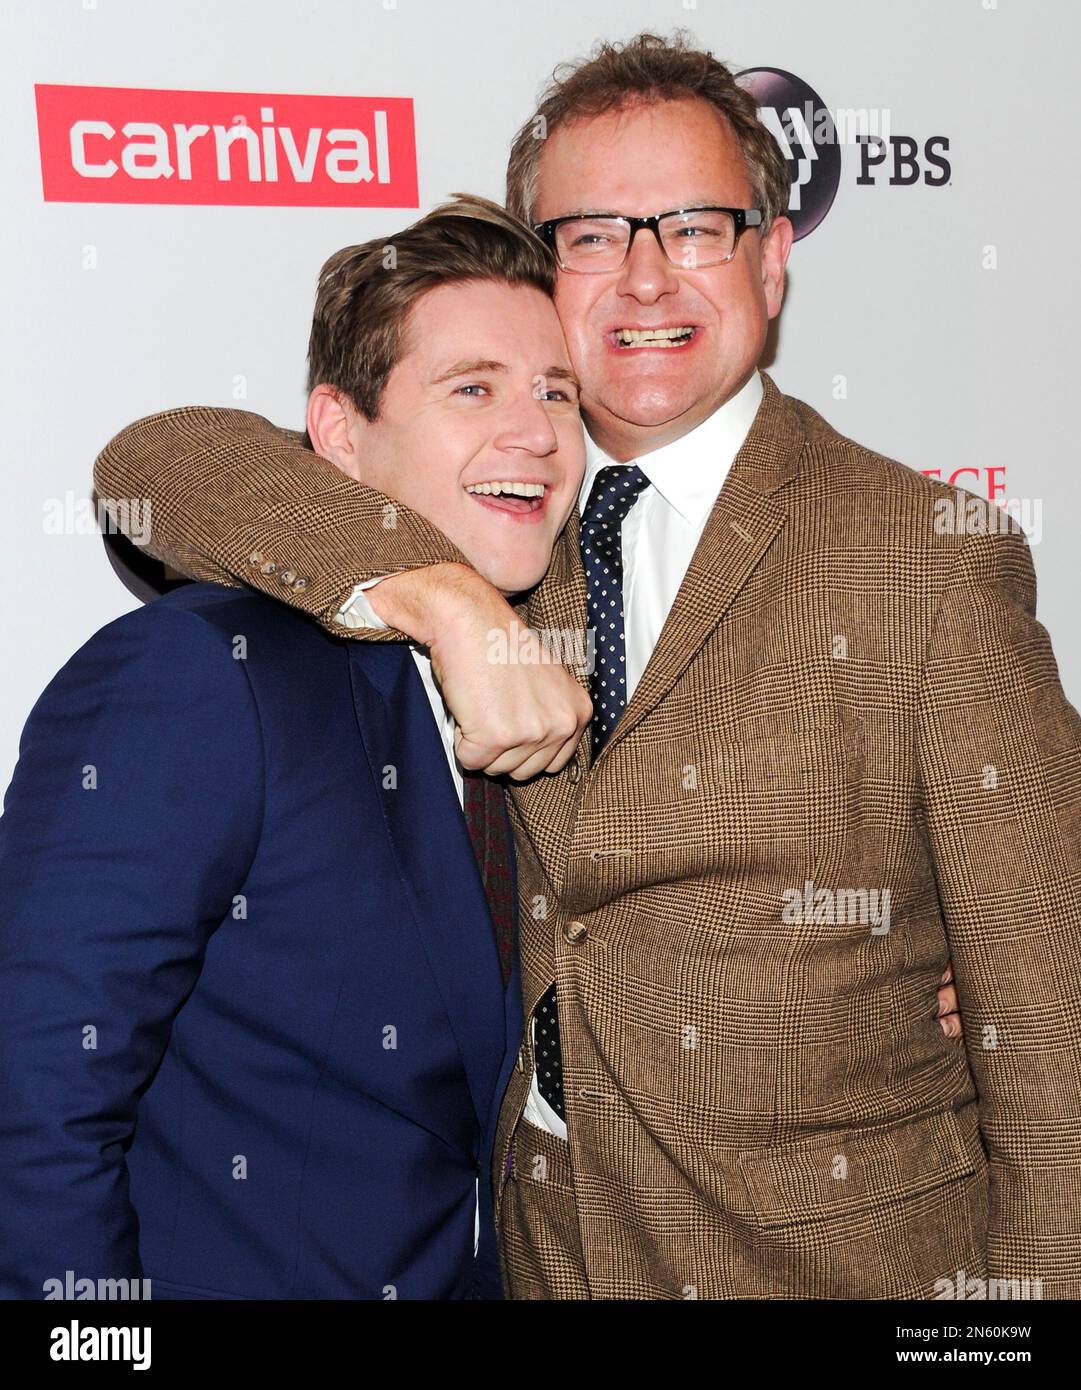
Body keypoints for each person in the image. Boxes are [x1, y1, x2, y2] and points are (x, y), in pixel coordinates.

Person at [96, 31, 1081, 1300]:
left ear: (774, 262)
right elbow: (155, 461)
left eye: (695, 229)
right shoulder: (488, 517)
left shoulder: (932, 565)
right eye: (594, 235)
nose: (646, 279)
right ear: (536, 272)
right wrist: (453, 604)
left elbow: (1055, 1056)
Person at [0, 195, 587, 1300]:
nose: (536, 431)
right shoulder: (199, 675)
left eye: (556, 390)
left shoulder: (559, 665)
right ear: (336, 432)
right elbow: (36, 1092)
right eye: (472, 388)